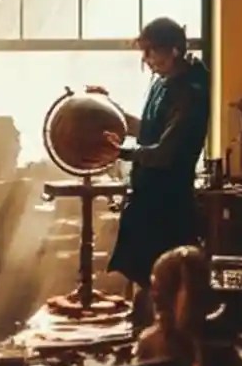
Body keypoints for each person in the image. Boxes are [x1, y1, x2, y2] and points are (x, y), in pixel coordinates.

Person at [88, 17, 210, 325]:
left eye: (151, 52)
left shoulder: (192, 91)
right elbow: (148, 130)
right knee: (144, 276)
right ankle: (143, 339)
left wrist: (123, 153)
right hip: (148, 196)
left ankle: (160, 343)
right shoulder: (164, 83)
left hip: (167, 202)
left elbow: (165, 153)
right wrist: (109, 107)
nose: (146, 60)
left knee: (161, 279)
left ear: (174, 50)